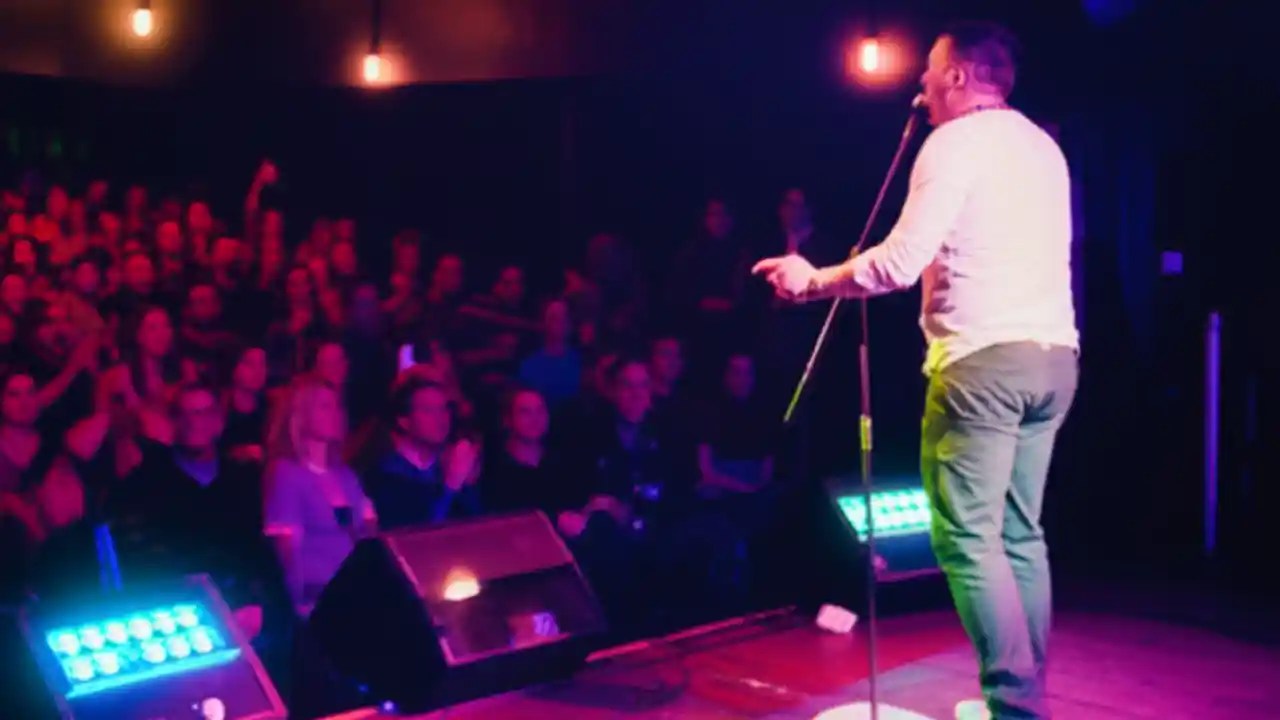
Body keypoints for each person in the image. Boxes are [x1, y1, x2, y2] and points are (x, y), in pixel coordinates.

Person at [752, 22, 1078, 720]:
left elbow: (898, 263)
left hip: (982, 364)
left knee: (965, 536)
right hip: (1053, 360)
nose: (919, 87)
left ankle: (1017, 710)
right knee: (1020, 534)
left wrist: (813, 283)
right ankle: (1022, 698)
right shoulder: (1043, 146)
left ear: (959, 77)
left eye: (930, 72)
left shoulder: (953, 142)